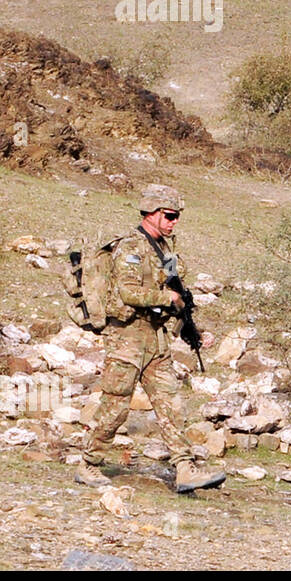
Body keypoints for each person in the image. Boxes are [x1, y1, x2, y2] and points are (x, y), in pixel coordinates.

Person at [78, 184, 227, 494]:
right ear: (153, 213)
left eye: (177, 217)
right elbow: (128, 293)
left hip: (156, 339)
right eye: (170, 216)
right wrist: (166, 296)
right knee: (115, 406)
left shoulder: (167, 252)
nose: (174, 223)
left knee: (171, 404)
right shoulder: (131, 248)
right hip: (127, 339)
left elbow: (176, 297)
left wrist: (191, 329)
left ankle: (185, 469)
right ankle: (89, 464)